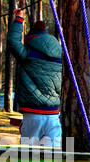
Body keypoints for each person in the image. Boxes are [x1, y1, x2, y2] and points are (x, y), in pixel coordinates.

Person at [7, 8, 63, 146]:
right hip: (54, 115)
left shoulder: (28, 55)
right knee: (53, 155)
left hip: (32, 113)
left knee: (29, 154)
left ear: (31, 39)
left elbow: (13, 41)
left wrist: (19, 19)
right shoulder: (61, 56)